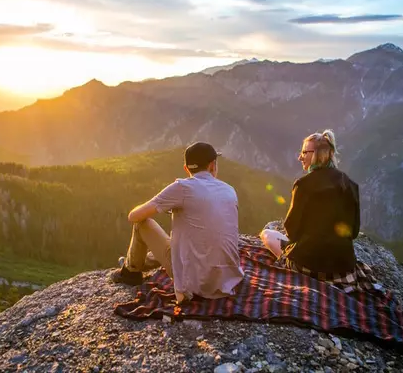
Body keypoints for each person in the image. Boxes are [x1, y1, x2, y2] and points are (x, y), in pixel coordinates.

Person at [110, 142, 244, 302]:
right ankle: (139, 263)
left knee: (142, 224)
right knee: (185, 240)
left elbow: (134, 216)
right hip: (227, 280)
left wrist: (171, 200)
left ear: (187, 169)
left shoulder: (182, 187)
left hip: (196, 283)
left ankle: (131, 271)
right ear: (212, 166)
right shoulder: (229, 190)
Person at [260, 129, 360, 279]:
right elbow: (354, 232)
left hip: (309, 264)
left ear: (316, 154)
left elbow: (292, 231)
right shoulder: (350, 184)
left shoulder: (303, 185)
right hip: (344, 267)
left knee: (267, 234)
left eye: (304, 152)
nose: (300, 157)